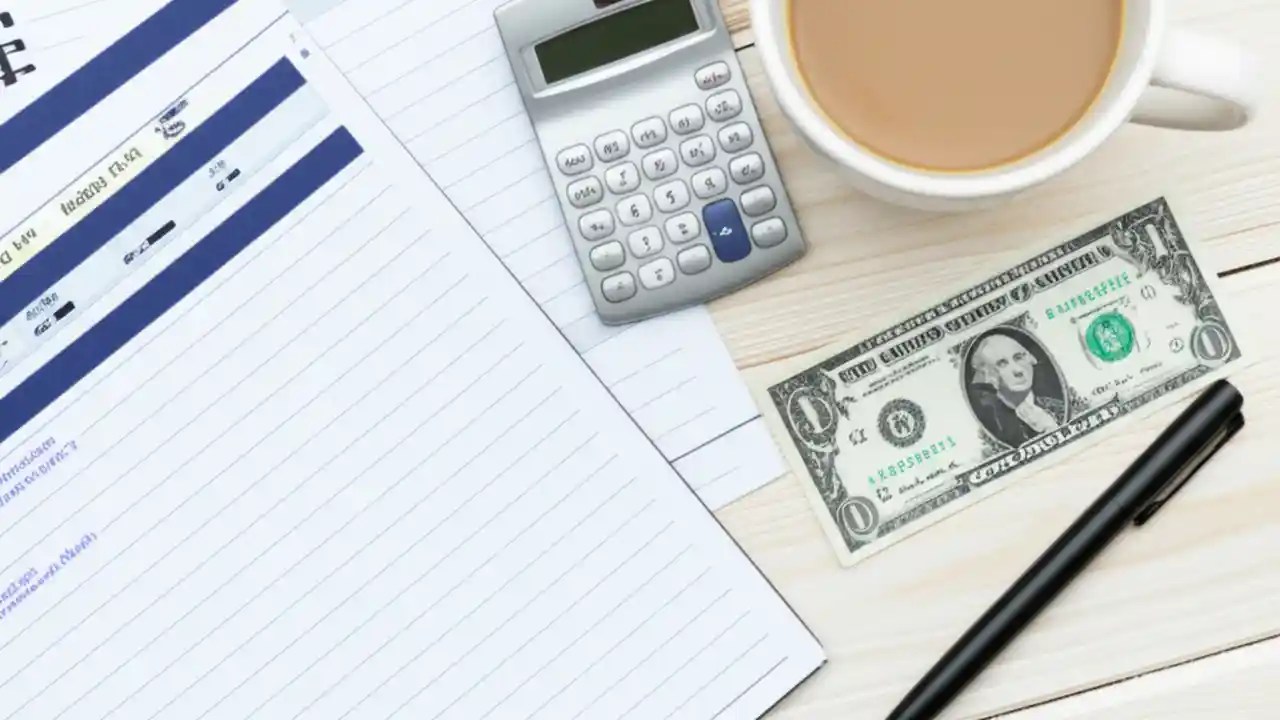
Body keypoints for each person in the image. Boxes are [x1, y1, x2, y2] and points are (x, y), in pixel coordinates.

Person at [967, 333, 1065, 447]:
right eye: (1002, 364)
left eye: (1018, 358)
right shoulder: (996, 425)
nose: (1018, 370)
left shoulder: (1057, 406)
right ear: (989, 376)